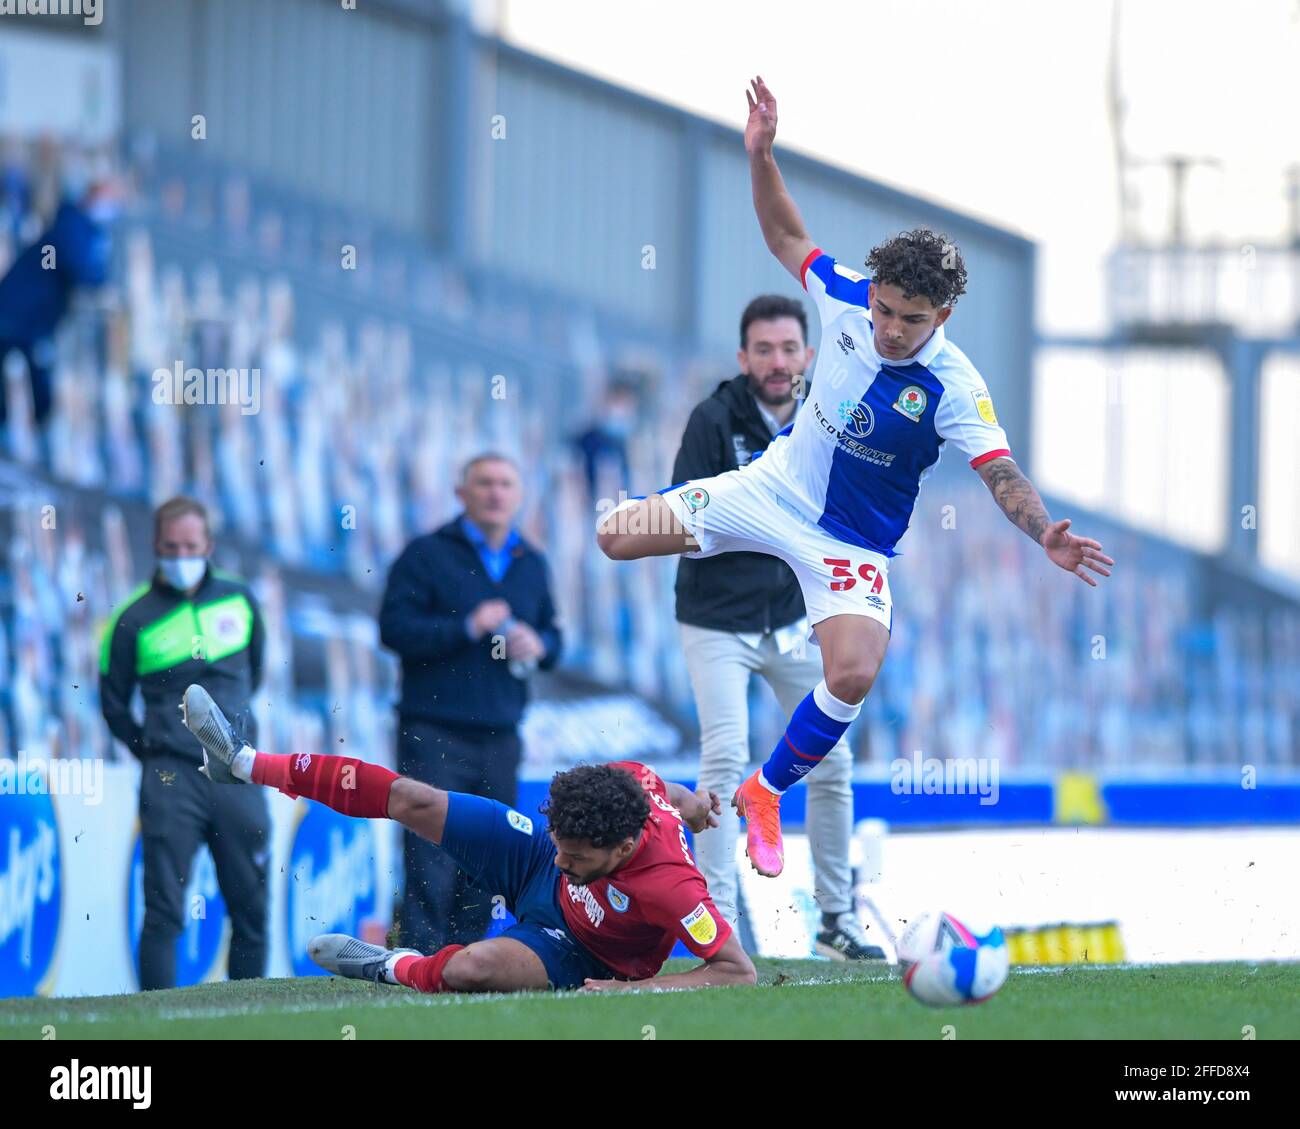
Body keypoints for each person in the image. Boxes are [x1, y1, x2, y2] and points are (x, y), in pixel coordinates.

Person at [597, 76, 1114, 878]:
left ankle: (766, 792)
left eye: (913, 318)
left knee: (854, 670)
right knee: (614, 534)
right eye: (886, 310)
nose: (893, 328)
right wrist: (761, 156)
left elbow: (1000, 471)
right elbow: (782, 233)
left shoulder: (955, 385)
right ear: (872, 294)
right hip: (770, 492)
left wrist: (1041, 527)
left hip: (850, 544)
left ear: (941, 316)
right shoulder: (841, 295)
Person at [180, 684, 756, 993]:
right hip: (526, 867)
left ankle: (391, 966)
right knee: (416, 799)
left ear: (624, 848)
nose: (564, 857)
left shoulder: (674, 887)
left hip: (580, 950)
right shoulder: (624, 785)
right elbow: (668, 796)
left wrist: (628, 993)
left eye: (577, 854)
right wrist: (697, 807)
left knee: (470, 970)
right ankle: (246, 761)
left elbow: (736, 972)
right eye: (561, 841)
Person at [673, 293, 881, 959]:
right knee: (724, 760)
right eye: (763, 349)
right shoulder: (713, 420)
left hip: (792, 618)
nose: (777, 360)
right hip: (717, 618)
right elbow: (687, 521)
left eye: (789, 348)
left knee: (834, 757)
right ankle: (717, 926)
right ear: (742, 358)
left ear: (809, 355)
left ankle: (836, 919)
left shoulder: (834, 416)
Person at [379, 453, 562, 952]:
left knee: (488, 855)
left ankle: (464, 966)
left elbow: (554, 638)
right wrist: (466, 626)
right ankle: (418, 963)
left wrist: (539, 645)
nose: (495, 493)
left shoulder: (532, 562)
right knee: (429, 853)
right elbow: (393, 630)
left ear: (518, 495)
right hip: (433, 730)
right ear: (461, 493)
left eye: (505, 483)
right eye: (484, 483)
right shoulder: (426, 554)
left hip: (501, 734)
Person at [99, 497, 269, 989]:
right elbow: (113, 705)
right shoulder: (130, 619)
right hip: (170, 777)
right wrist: (153, 750)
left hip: (239, 773)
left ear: (209, 545)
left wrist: (230, 741)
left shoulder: (241, 600)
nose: (181, 554)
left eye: (191, 546)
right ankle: (158, 1025)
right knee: (163, 912)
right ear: (156, 546)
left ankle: (252, 1021)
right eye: (171, 546)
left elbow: (252, 675)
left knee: (252, 909)